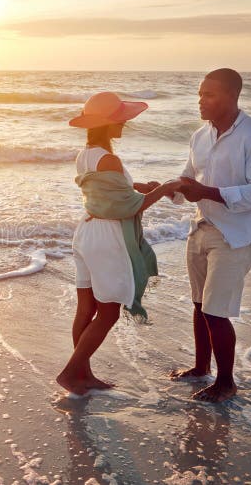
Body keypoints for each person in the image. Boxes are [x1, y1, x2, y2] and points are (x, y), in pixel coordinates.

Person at [57, 92, 183, 396]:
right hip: (107, 238)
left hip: (86, 232)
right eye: (120, 120)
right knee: (109, 312)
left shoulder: (86, 154)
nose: (124, 125)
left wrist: (141, 186)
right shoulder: (109, 158)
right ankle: (71, 372)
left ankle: (83, 375)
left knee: (86, 309)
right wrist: (167, 187)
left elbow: (109, 191)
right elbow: (129, 207)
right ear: (108, 124)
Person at [169, 68, 251, 402]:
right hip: (201, 228)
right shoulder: (200, 136)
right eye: (200, 93)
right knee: (200, 305)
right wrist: (163, 190)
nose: (201, 100)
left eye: (209, 94)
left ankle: (226, 382)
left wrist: (209, 192)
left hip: (235, 235)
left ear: (233, 95)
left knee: (216, 311)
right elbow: (189, 179)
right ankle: (201, 368)